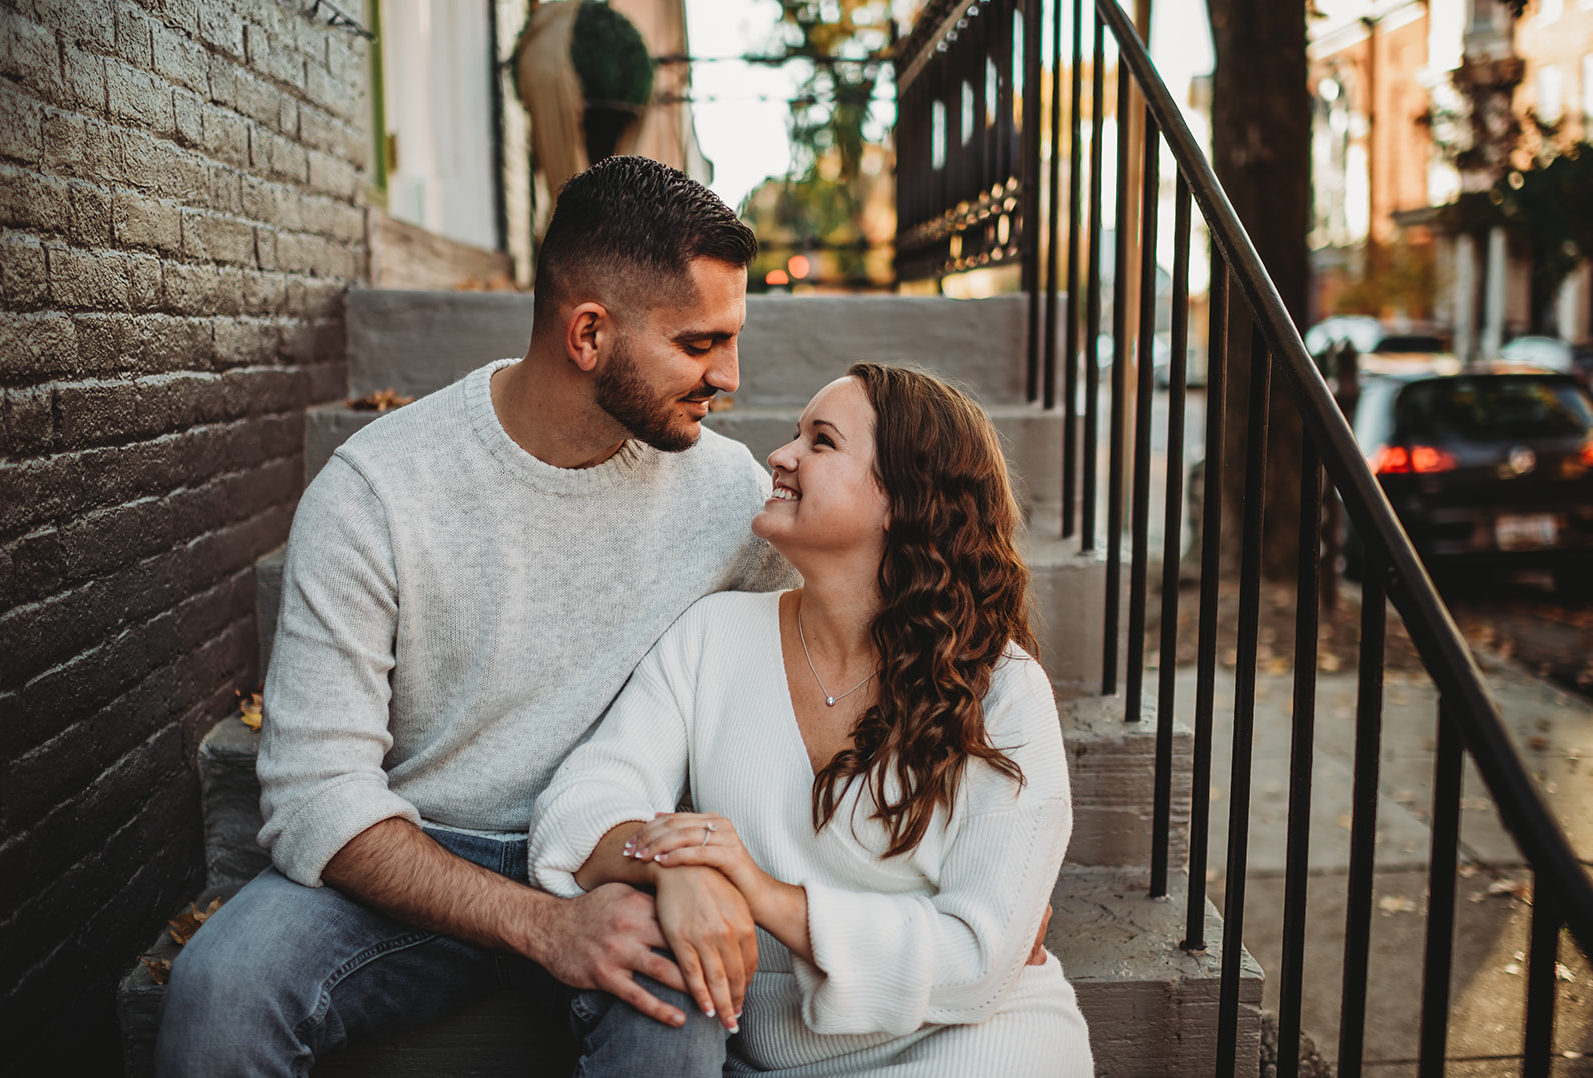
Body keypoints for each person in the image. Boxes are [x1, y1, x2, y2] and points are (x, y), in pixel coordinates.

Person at [155, 156, 796, 1077]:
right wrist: (543, 927)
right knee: (219, 991)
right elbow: (313, 797)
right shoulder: (380, 492)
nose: (729, 376)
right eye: (700, 345)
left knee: (679, 1014)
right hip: (402, 860)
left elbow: (854, 652)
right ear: (587, 335)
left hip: (610, 856)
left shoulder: (728, 495)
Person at [530, 364, 1095, 1076]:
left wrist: (759, 892)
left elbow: (977, 960)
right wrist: (676, 866)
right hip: (767, 1054)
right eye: (796, 434)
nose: (780, 455)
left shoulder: (1002, 691)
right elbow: (582, 803)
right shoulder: (715, 635)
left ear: (901, 499)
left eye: (820, 442)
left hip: (972, 1048)